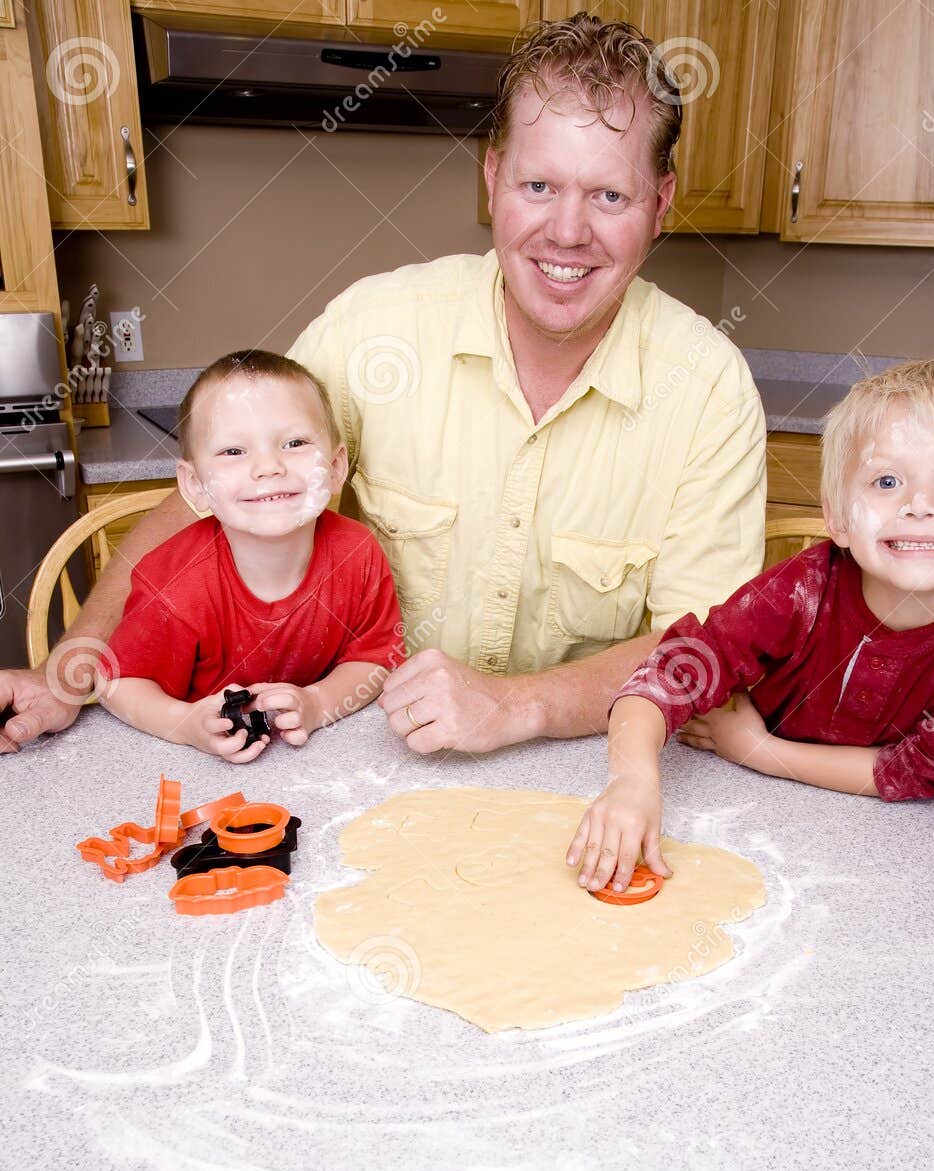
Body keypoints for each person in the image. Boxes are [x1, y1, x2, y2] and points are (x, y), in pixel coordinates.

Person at [0, 13, 765, 754]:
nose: (566, 232)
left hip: (594, 759)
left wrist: (516, 704)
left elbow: (696, 645)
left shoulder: (707, 390)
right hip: (352, 747)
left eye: (609, 196)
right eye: (538, 186)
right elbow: (209, 510)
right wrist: (71, 671)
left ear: (659, 204)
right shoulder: (375, 330)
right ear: (492, 177)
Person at [567, 355, 934, 895]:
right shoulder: (802, 591)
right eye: (886, 480)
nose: (920, 505)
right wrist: (632, 781)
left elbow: (919, 771)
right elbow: (669, 673)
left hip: (895, 860)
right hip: (748, 812)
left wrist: (758, 751)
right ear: (838, 517)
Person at [98, 350, 404, 760]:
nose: (268, 466)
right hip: (189, 767)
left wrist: (316, 703)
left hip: (316, 764)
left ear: (334, 467)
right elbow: (116, 684)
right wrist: (186, 725)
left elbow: (375, 660)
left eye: (294, 443)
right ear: (195, 486)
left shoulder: (359, 554)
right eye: (233, 451)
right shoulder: (174, 584)